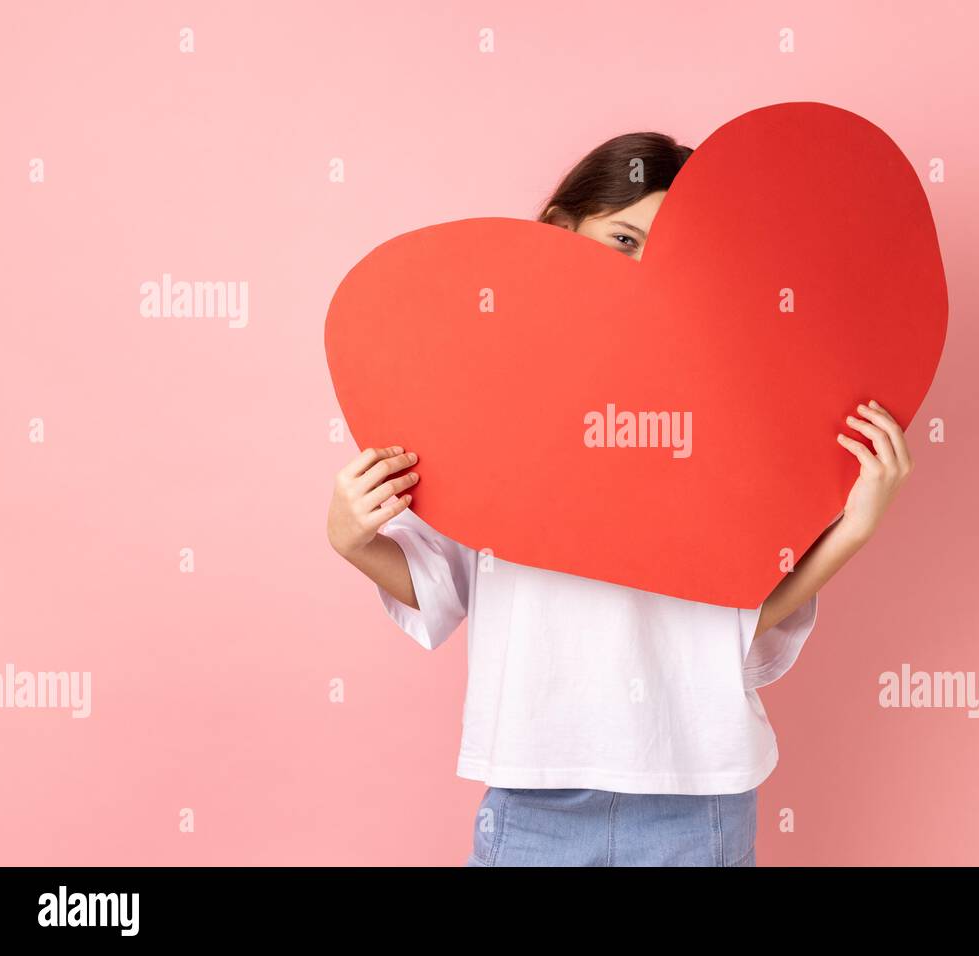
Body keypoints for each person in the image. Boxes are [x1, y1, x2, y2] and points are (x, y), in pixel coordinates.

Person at [325, 131, 914, 866]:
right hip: (532, 792)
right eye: (623, 240)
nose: (643, 272)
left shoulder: (731, 416)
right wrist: (351, 537)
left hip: (698, 794)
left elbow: (736, 611)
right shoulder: (491, 400)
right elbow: (444, 584)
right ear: (559, 232)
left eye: (672, 255)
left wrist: (853, 531)